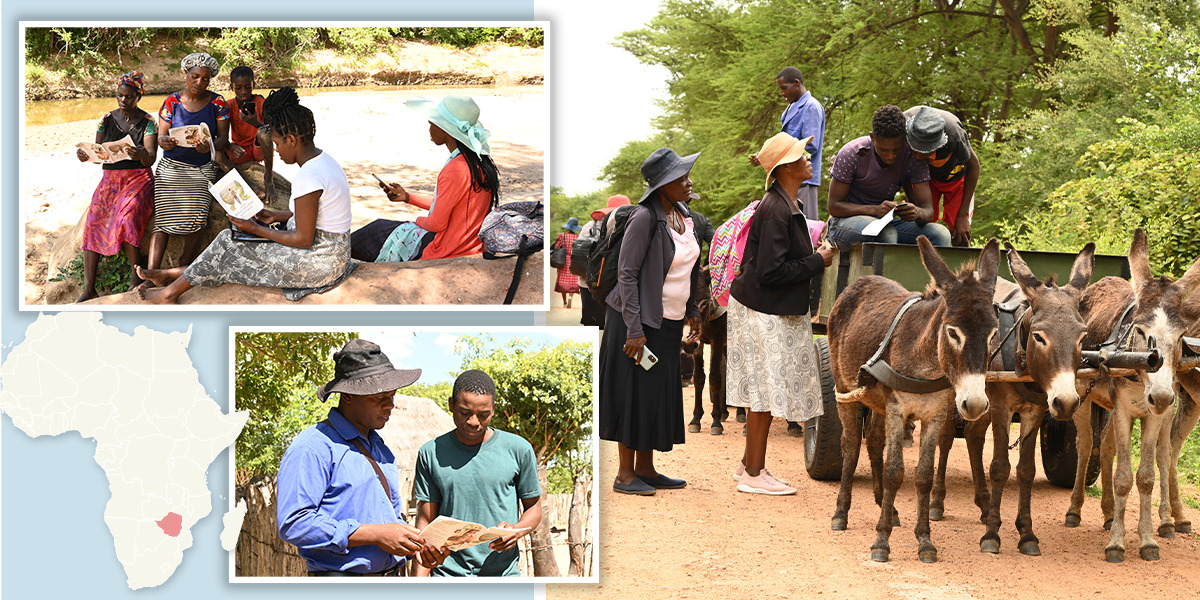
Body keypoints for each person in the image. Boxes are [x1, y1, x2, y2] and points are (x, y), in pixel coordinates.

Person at [137, 87, 354, 304]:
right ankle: (172, 275)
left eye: (277, 144)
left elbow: (303, 239)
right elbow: (323, 216)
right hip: (333, 254)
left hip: (320, 263)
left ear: (291, 140)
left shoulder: (308, 176)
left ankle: (169, 292)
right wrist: (276, 216)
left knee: (230, 246)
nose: (276, 150)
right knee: (231, 240)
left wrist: (256, 229)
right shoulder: (324, 162)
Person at [276, 338, 451, 576]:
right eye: (379, 398)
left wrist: (416, 546)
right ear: (348, 396)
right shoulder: (313, 447)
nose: (390, 405)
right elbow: (294, 524)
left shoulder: (381, 449)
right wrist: (375, 534)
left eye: (392, 396)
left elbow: (389, 523)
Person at [729, 132, 835, 495]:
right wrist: (816, 261)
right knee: (765, 389)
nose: (810, 159)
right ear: (786, 166)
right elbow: (770, 273)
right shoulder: (777, 209)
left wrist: (810, 256)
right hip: (764, 310)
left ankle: (748, 465)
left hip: (766, 308)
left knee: (765, 388)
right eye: (802, 155)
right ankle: (754, 475)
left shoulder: (786, 203)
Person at [598, 148, 703, 496]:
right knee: (632, 393)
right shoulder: (645, 217)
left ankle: (646, 468)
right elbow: (627, 275)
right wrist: (634, 329)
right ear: (662, 186)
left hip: (667, 322)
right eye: (681, 178)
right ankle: (625, 474)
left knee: (653, 394)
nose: (688, 182)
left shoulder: (682, 216)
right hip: (635, 323)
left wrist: (693, 312)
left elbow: (686, 271)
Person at [413, 370, 543, 577]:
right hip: (448, 576)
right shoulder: (431, 453)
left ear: (494, 410)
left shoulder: (518, 449)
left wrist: (516, 530)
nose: (474, 421)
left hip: (503, 575)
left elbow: (534, 507)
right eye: (465, 412)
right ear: (451, 405)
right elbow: (426, 519)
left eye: (484, 415)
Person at [350, 95, 499, 262]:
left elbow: (436, 223)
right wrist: (407, 197)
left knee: (376, 230)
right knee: (382, 229)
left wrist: (416, 221)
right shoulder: (476, 162)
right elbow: (448, 206)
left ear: (446, 130)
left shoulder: (455, 169)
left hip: (449, 248)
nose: (429, 129)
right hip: (469, 243)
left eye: (431, 124)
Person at [74, 71, 158, 302]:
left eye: (129, 97)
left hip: (138, 178)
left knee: (128, 218)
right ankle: (89, 287)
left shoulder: (149, 122)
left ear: (138, 96)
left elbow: (151, 158)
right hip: (110, 181)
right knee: (93, 221)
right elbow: (98, 152)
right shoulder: (106, 119)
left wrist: (140, 153)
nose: (123, 101)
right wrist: (85, 155)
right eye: (120, 96)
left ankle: (135, 278)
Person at [825, 104, 951, 249]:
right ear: (872, 138)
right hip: (843, 223)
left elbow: (928, 211)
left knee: (941, 234)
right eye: (883, 150)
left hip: (883, 222)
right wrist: (874, 210)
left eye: (897, 150)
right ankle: (884, 273)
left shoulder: (912, 157)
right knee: (886, 233)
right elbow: (834, 206)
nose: (891, 156)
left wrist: (916, 212)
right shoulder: (852, 153)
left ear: (905, 140)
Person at [148, 52, 232, 270]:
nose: (199, 82)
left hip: (202, 167)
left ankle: (184, 265)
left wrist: (211, 145)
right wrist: (164, 142)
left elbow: (224, 138)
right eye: (195, 76)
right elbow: (161, 137)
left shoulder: (217, 103)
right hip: (172, 166)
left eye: (205, 79)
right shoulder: (172, 102)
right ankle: (152, 270)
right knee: (162, 220)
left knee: (197, 219)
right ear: (186, 73)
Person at [749, 66, 825, 219]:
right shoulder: (790, 109)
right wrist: (766, 155)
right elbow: (785, 143)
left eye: (784, 88)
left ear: (797, 83)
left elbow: (811, 145)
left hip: (803, 178)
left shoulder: (811, 106)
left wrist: (776, 155)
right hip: (788, 179)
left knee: (805, 225)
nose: (782, 93)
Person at [903, 105, 980, 247]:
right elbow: (901, 168)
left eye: (924, 152)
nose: (918, 155)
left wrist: (962, 215)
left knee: (960, 233)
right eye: (915, 149)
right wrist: (912, 201)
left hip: (955, 178)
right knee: (919, 227)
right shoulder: (902, 126)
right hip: (924, 179)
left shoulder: (954, 134)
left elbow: (974, 166)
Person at [217, 65, 275, 203]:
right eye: (238, 88)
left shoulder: (261, 102)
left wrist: (255, 122)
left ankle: (268, 177)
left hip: (258, 148)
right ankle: (248, 184)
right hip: (239, 150)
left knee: (263, 132)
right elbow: (222, 135)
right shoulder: (228, 105)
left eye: (248, 87)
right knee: (217, 150)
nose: (243, 92)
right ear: (232, 87)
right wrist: (231, 147)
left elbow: (272, 132)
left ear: (253, 84)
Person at [579, 194, 631, 328]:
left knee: (590, 320)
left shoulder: (589, 226)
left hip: (588, 281)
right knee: (611, 324)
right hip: (613, 284)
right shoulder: (630, 226)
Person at [554, 217, 582, 308]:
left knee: (563, 280)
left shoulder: (563, 235)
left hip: (563, 260)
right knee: (572, 279)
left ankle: (565, 302)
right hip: (573, 260)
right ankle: (571, 296)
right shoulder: (578, 237)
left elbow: (556, 247)